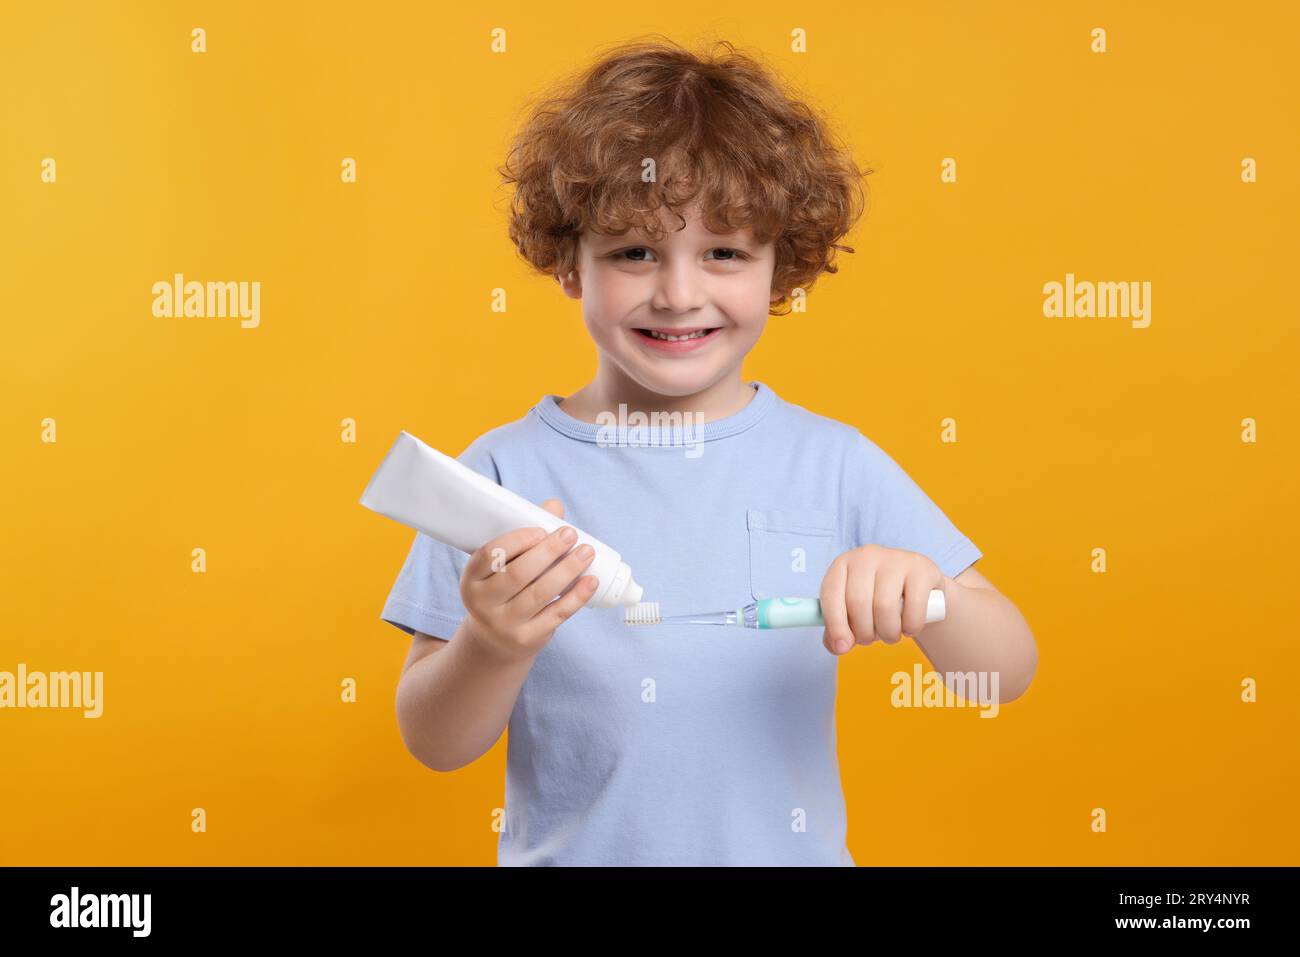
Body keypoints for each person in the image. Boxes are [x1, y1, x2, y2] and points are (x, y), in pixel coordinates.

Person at [381, 36, 1037, 866]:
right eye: (633, 252)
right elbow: (434, 741)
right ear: (568, 265)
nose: (679, 293)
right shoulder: (501, 477)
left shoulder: (834, 463)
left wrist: (933, 594)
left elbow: (1005, 673)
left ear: (781, 271)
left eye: (724, 252)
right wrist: (492, 643)